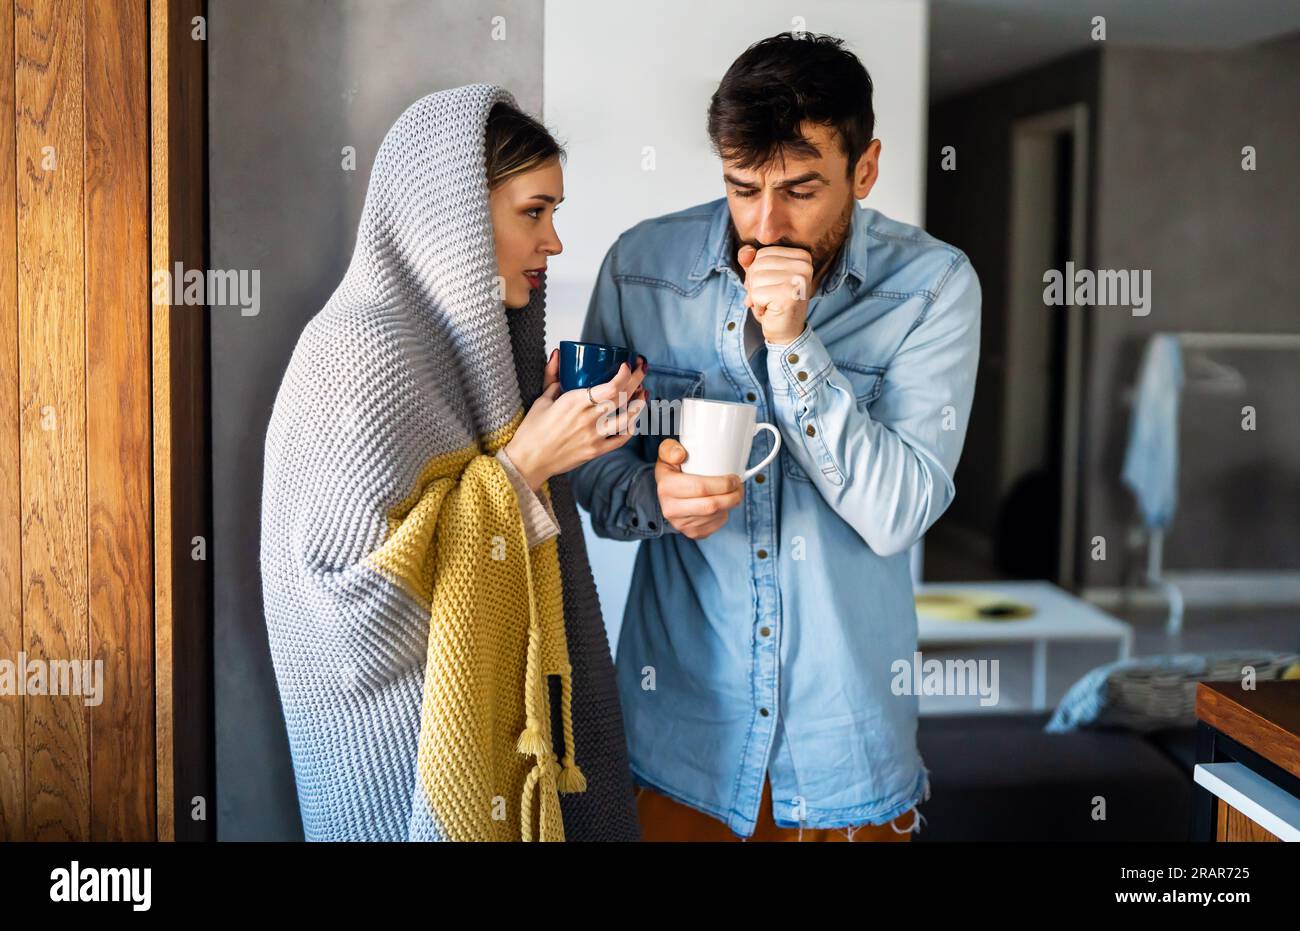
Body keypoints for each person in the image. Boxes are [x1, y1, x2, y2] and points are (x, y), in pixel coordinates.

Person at [571, 34, 982, 841]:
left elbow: (899, 511)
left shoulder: (933, 287)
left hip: (844, 752)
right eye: (741, 187)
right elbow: (589, 474)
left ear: (864, 169)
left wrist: (794, 346)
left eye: (801, 189)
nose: (765, 224)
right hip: (677, 740)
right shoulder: (640, 269)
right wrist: (651, 496)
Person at [260, 84, 644, 841]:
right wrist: (521, 467)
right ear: (457, 220)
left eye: (554, 213)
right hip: (392, 771)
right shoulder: (359, 352)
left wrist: (542, 436)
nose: (554, 242)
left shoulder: (463, 360)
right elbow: (347, 611)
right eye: (533, 212)